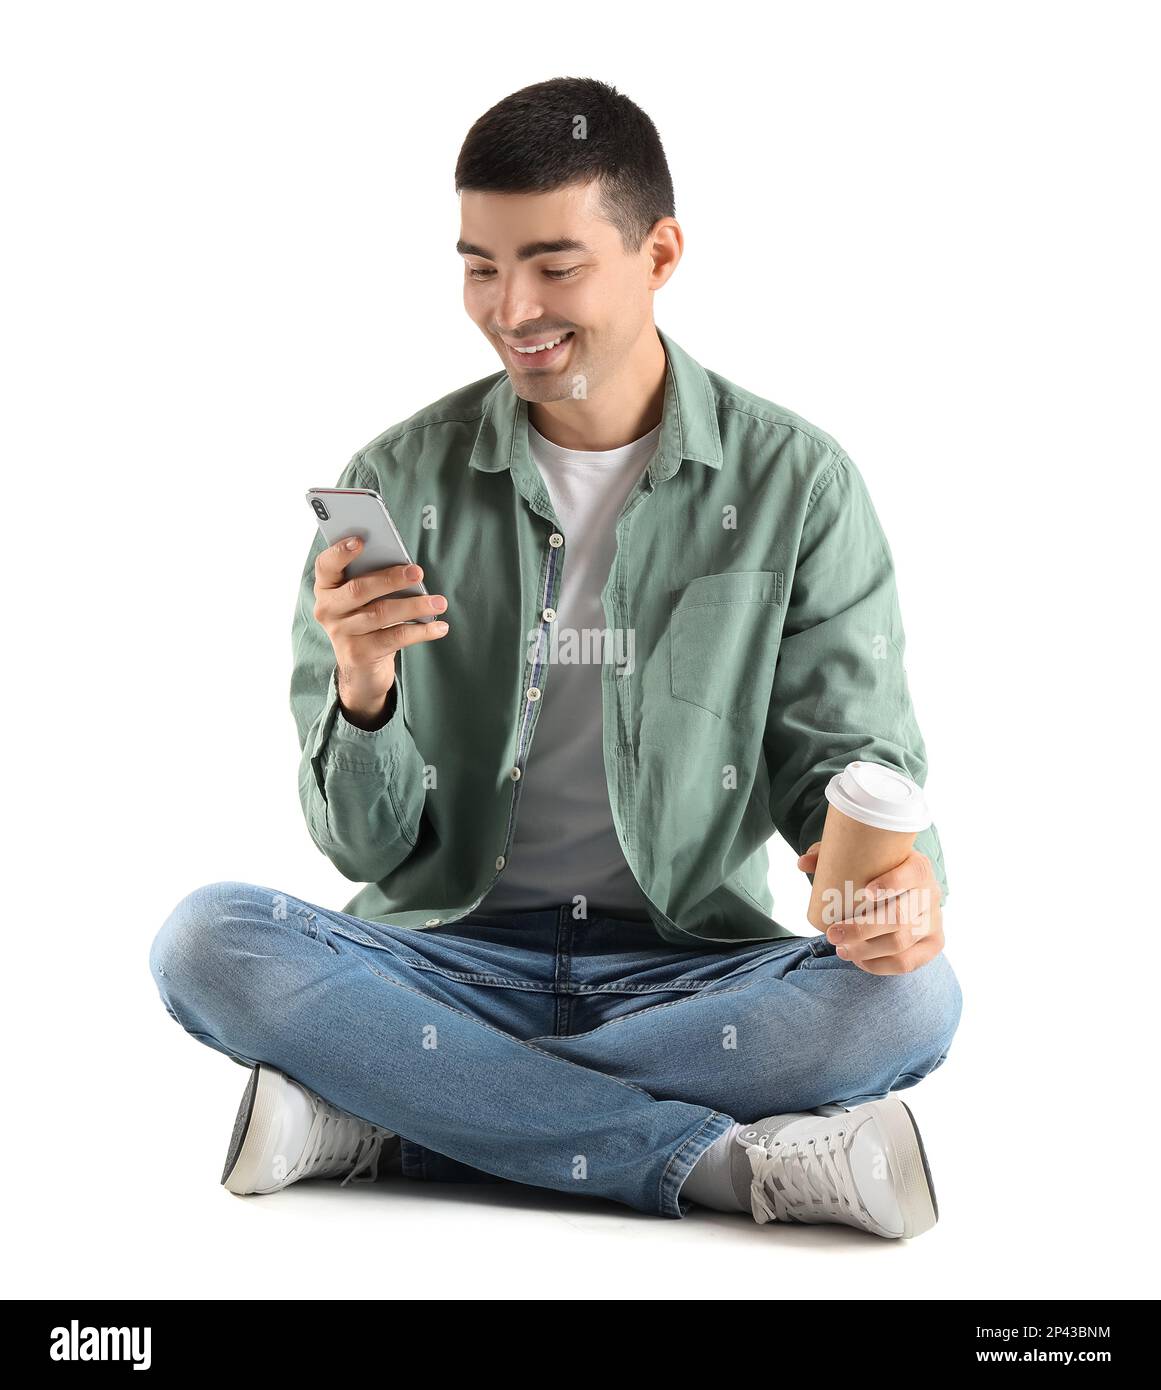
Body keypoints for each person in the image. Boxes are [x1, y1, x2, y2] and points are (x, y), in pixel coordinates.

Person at [149, 76, 962, 1236]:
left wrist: (893, 884)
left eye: (554, 263)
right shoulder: (398, 481)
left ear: (661, 251)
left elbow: (845, 764)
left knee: (911, 1004)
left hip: (685, 971)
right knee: (207, 941)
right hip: (442, 961)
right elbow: (360, 845)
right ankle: (719, 1163)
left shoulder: (798, 485)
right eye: (480, 265)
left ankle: (396, 1113)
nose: (509, 304)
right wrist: (367, 696)